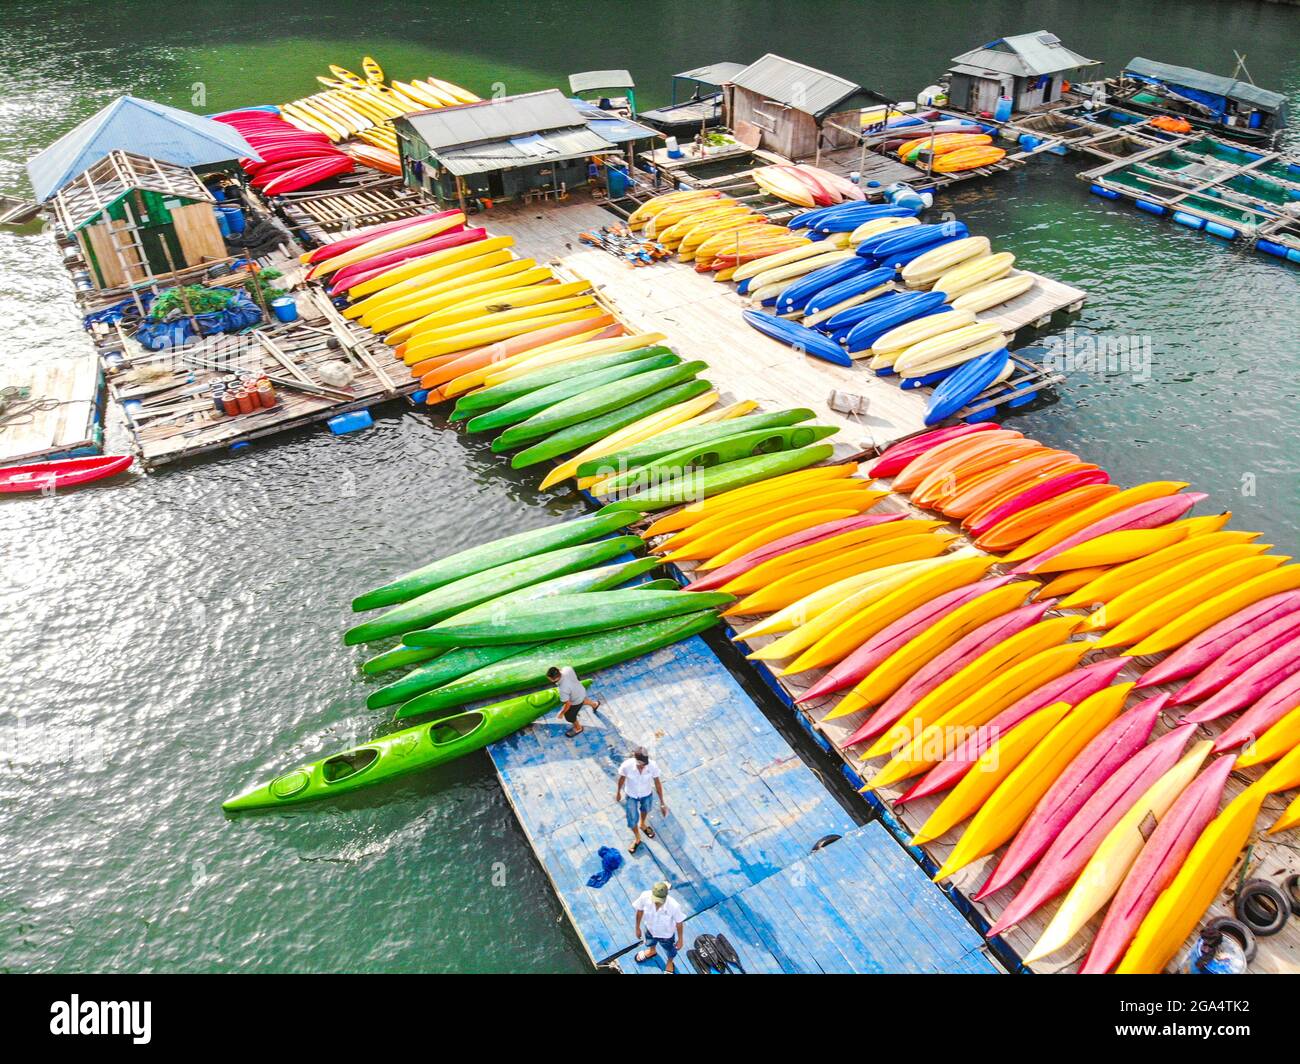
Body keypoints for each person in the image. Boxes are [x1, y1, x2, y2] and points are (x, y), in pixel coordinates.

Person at [615, 746, 666, 854]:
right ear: (635, 760)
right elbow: (621, 779)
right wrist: (618, 792)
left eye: (645, 764)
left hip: (646, 794)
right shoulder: (626, 766)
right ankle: (637, 838)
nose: (643, 767)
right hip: (631, 795)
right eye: (641, 765)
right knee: (632, 818)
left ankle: (642, 824)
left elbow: (657, 783)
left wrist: (662, 802)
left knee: (645, 809)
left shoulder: (652, 766)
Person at [633, 881, 685, 973]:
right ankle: (652, 951)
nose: (657, 903)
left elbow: (679, 922)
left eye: (660, 901)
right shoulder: (644, 896)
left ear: (666, 896)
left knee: (670, 950)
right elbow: (639, 911)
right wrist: (637, 928)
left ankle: (669, 962)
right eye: (655, 899)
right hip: (649, 929)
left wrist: (680, 939)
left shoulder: (674, 905)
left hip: (666, 935)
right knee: (649, 943)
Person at [547, 665, 600, 737]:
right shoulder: (567, 669)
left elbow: (568, 704)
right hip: (580, 690)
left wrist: (561, 713)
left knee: (569, 716)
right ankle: (595, 704)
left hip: (575, 700)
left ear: (554, 679)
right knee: (582, 700)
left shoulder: (563, 689)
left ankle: (578, 728)